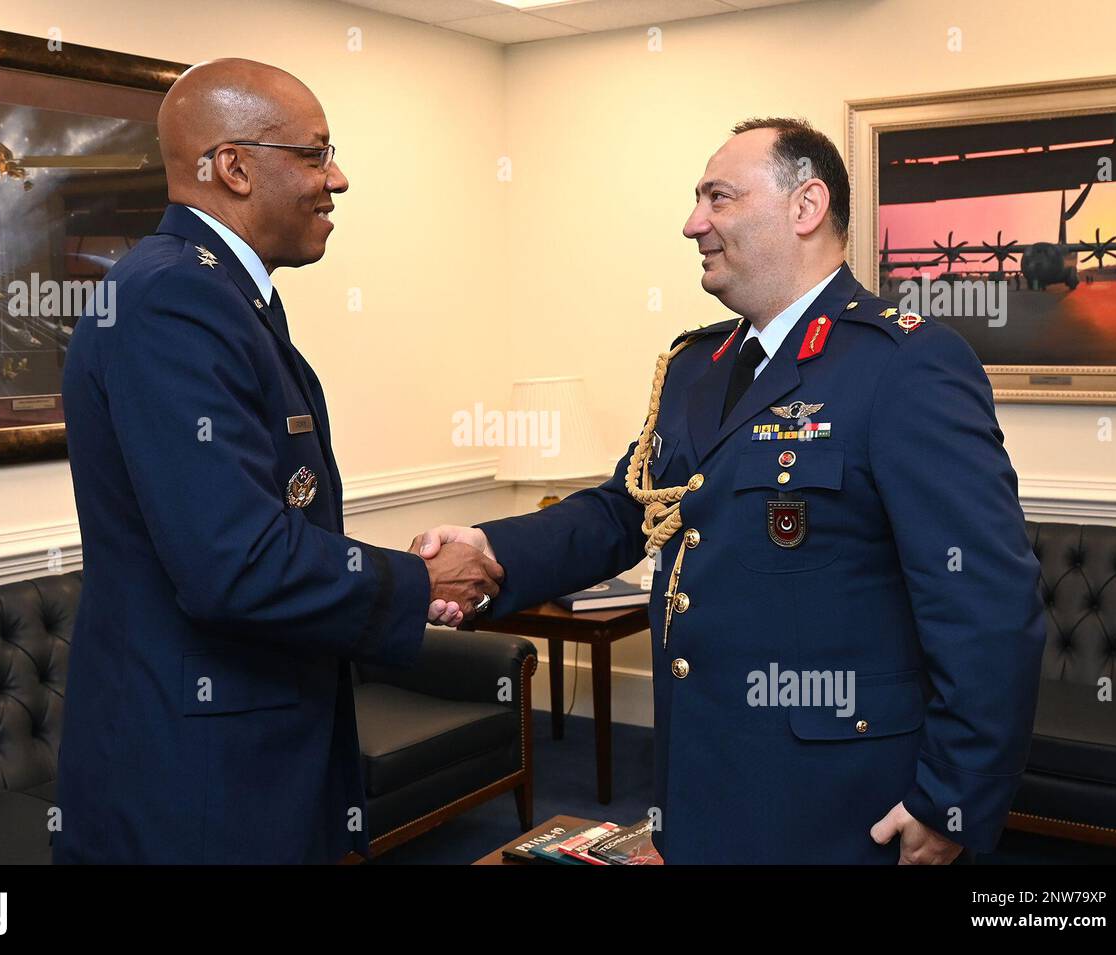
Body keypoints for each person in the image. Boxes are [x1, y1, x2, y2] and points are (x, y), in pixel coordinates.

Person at [415, 118, 1045, 864]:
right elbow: (627, 508)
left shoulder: (907, 365)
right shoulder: (696, 366)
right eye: (696, 200)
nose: (693, 224)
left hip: (837, 794)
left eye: (718, 198)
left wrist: (952, 801)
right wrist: (492, 550)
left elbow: (988, 603)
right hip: (701, 772)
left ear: (805, 207)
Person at [56, 58, 500, 863]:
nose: (338, 177)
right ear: (233, 166)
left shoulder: (221, 290)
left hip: (250, 742)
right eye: (315, 153)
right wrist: (418, 580)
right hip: (198, 777)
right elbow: (236, 559)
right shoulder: (172, 298)